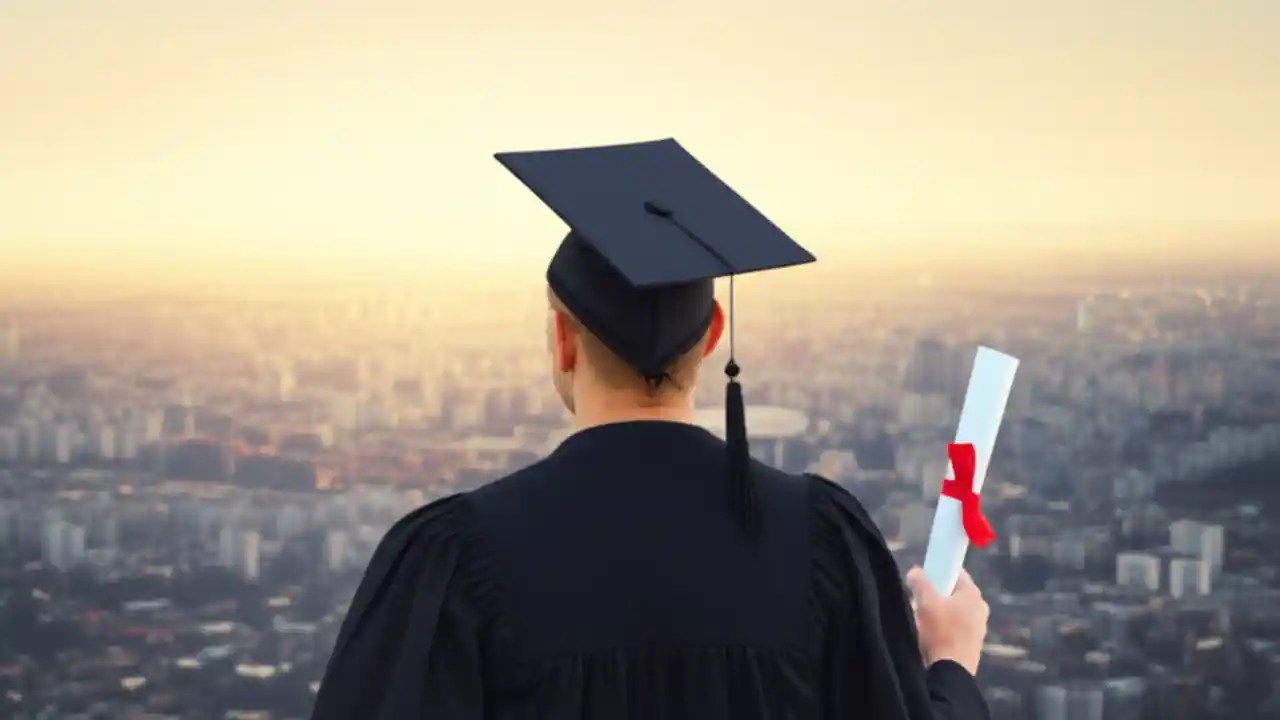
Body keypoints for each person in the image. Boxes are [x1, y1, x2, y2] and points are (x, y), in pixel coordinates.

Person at [310, 138, 992, 719]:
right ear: (710, 336)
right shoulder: (823, 542)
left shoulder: (452, 560)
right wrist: (951, 668)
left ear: (563, 339)